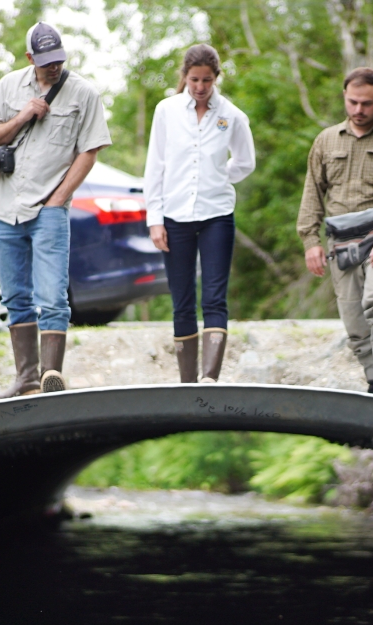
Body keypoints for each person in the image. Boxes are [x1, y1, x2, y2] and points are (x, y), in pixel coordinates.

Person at [0, 22, 111, 396]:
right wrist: (22, 116)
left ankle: (51, 377)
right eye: (46, 61)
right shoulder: (8, 86)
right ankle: (26, 379)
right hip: (5, 208)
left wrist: (59, 198)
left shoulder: (83, 93)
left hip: (48, 210)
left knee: (52, 298)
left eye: (58, 60)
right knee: (14, 297)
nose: (54, 67)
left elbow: (90, 151)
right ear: (30, 58)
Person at [297, 67, 373, 397]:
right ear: (344, 97)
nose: (358, 110)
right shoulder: (326, 141)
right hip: (342, 240)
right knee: (354, 319)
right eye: (352, 102)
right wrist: (310, 241)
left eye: (366, 103)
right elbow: (312, 192)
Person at [143, 44, 256, 383]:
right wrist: (154, 219)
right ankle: (187, 382)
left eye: (207, 80)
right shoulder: (166, 110)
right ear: (185, 76)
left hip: (216, 214)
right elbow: (155, 166)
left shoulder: (231, 116)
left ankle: (209, 378)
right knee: (182, 299)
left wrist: (219, 175)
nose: (200, 87)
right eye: (194, 79)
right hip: (174, 215)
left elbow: (245, 161)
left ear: (216, 77)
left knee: (214, 297)